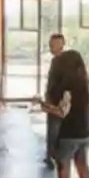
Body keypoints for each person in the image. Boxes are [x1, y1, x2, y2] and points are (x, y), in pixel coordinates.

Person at [41, 49, 89, 178]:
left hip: (69, 133)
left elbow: (62, 111)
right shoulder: (86, 83)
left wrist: (45, 107)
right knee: (83, 168)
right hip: (86, 132)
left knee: (64, 171)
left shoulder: (67, 87)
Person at [36, 34, 68, 167]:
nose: (50, 46)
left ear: (61, 44)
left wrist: (57, 100)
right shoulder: (55, 61)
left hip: (57, 101)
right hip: (52, 99)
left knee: (55, 130)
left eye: (53, 44)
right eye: (50, 43)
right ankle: (51, 155)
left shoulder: (63, 62)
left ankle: (54, 156)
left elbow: (62, 83)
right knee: (52, 129)